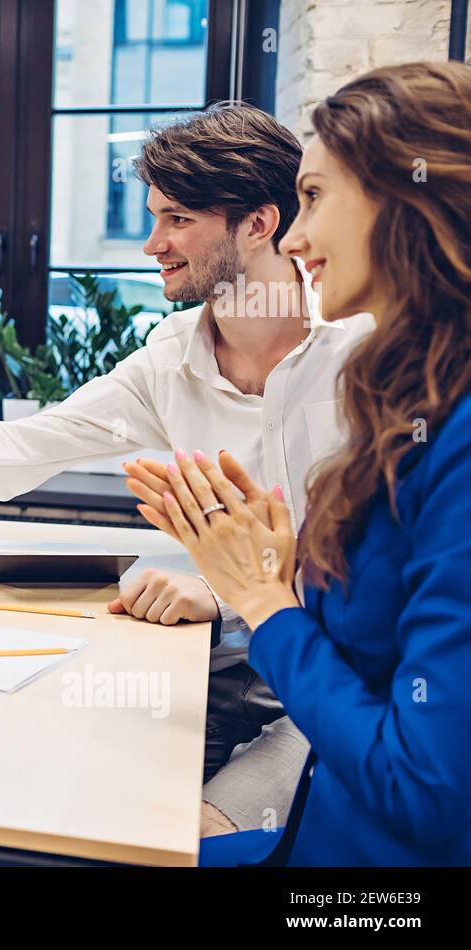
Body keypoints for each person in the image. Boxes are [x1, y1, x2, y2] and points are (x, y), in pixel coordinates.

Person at [0, 103, 371, 832]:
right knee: (14, 807)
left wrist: (225, 594)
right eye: (154, 218)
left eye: (177, 220)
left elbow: (369, 570)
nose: (153, 245)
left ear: (259, 224)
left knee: (183, 840)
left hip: (320, 689)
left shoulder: (361, 359)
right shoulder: (171, 360)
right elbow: (29, 444)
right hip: (197, 670)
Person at [131, 61, 471, 864]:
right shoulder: (403, 391)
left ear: (406, 199)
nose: (292, 238)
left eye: (315, 197)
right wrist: (270, 566)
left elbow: (421, 788)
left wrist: (258, 593)